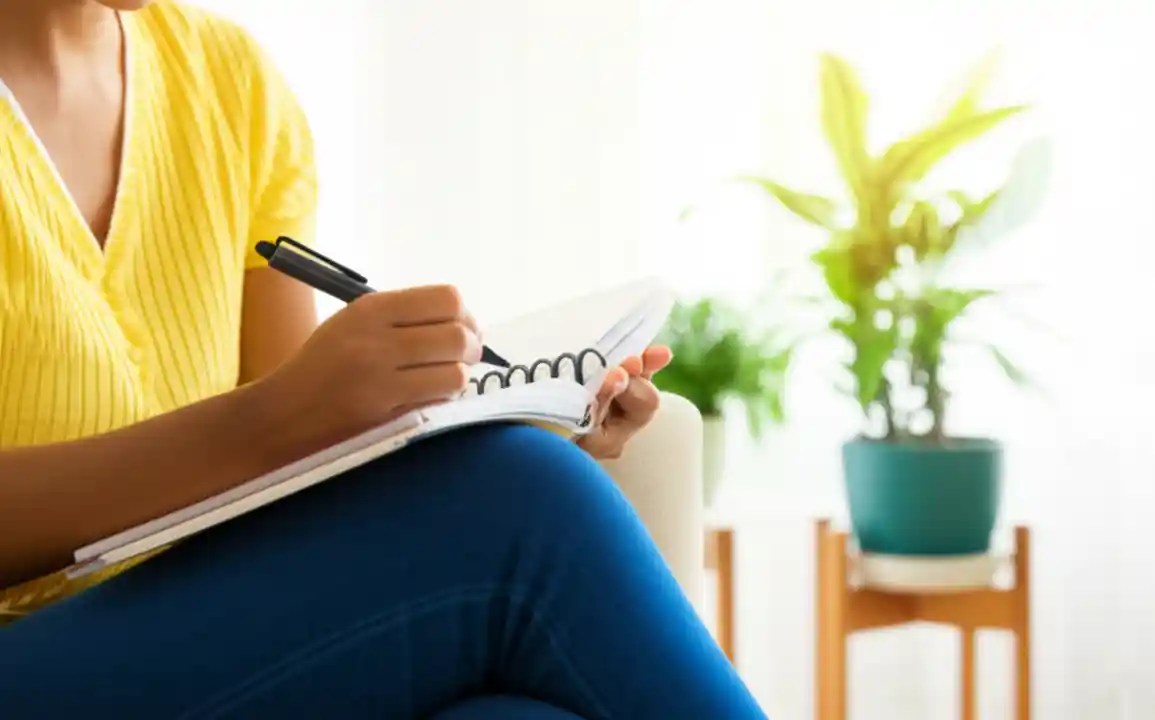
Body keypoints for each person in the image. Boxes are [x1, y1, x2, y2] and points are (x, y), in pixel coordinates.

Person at [0, 1, 766, 717]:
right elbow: (270, 424)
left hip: (187, 621)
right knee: (520, 498)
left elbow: (283, 492)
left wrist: (524, 414)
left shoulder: (227, 82)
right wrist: (274, 415)